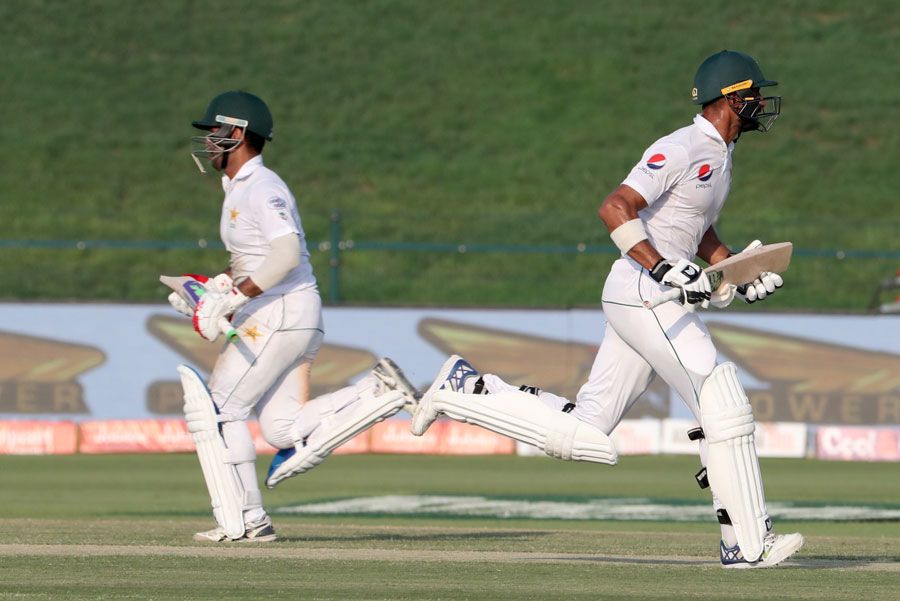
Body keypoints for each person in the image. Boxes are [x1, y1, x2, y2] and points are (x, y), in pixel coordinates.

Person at [412, 51, 804, 568]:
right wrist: (662, 267)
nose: (760, 104)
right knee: (720, 397)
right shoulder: (684, 146)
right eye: (753, 94)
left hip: (646, 292)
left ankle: (466, 390)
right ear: (730, 98)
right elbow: (615, 207)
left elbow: (695, 228)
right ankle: (747, 544)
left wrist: (734, 269)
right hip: (644, 289)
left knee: (588, 431)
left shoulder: (721, 156)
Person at [169, 90, 418, 543]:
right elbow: (254, 259)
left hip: (280, 312)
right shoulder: (241, 188)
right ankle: (376, 391)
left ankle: (246, 519)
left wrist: (235, 297)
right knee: (280, 427)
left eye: (215, 132)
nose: (208, 142)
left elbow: (284, 254)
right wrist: (212, 290)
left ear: (238, 133)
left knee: (222, 409)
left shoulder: (262, 187)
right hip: (293, 312)